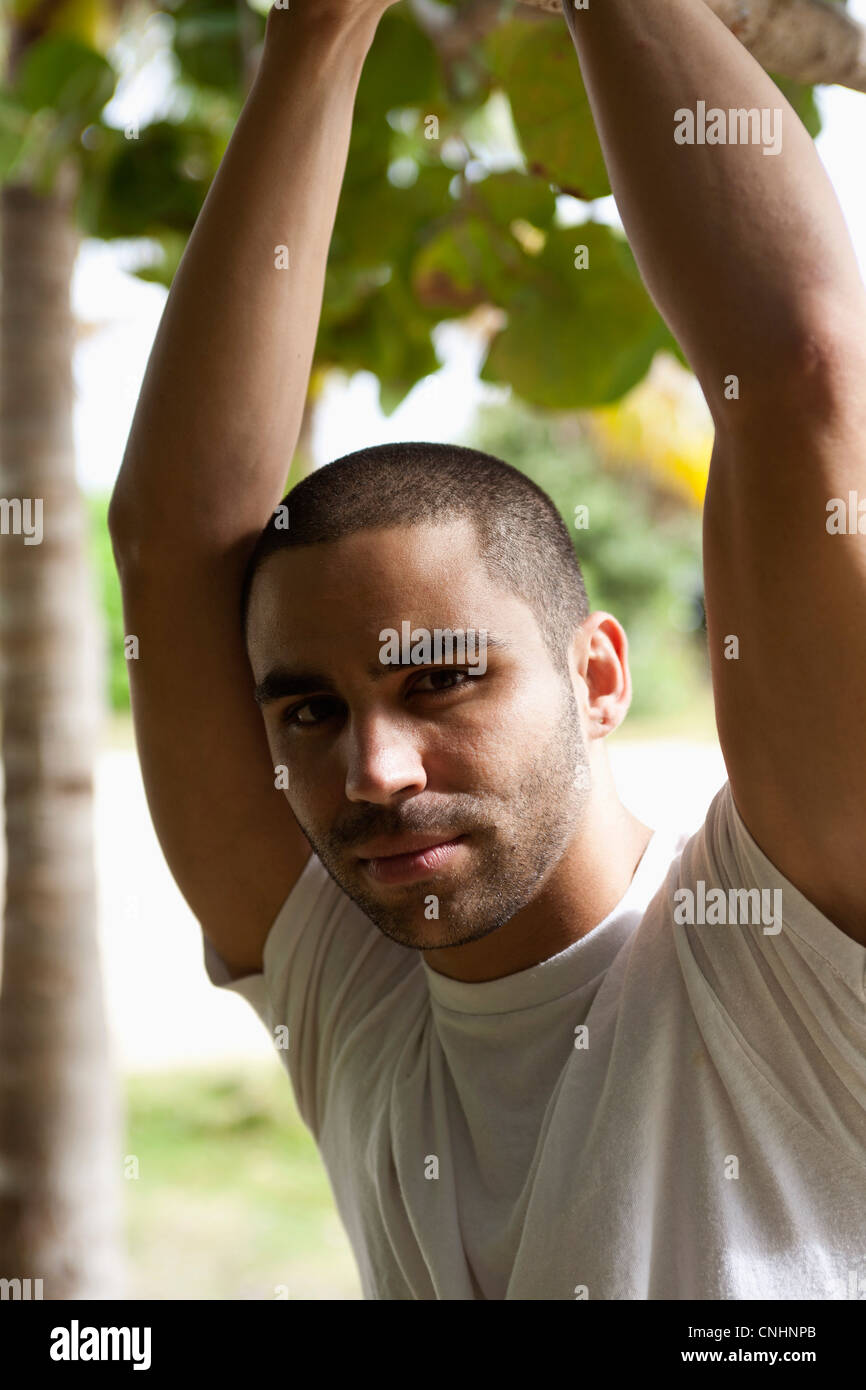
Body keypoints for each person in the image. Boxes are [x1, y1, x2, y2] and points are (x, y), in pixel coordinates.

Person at [109, 0, 866, 1300]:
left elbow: (797, 369)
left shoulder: (784, 942)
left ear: (598, 675)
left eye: (439, 678)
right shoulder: (356, 1000)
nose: (374, 769)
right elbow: (173, 546)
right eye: (308, 710)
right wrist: (318, 29)